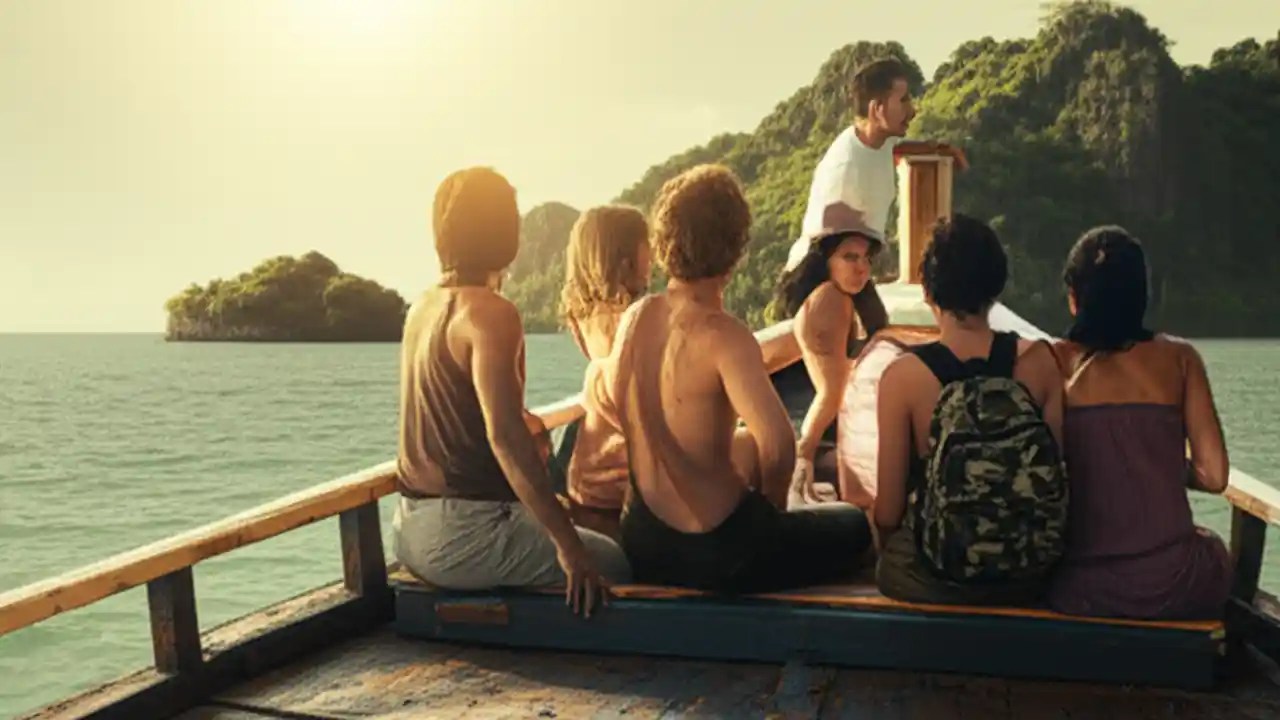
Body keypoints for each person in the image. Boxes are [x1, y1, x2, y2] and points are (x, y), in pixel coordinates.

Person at [585, 164, 873, 593]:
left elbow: (608, 398)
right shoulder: (724, 336)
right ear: (736, 247)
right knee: (855, 525)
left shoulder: (636, 317)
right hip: (718, 552)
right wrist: (772, 514)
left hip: (644, 539)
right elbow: (776, 445)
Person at [393, 167, 629, 617]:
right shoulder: (492, 314)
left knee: (566, 522)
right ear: (505, 233)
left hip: (409, 529)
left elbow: (474, 426)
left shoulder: (420, 309)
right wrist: (569, 549)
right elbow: (504, 437)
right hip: (464, 535)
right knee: (615, 563)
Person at [874, 214, 1067, 605]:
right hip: (1029, 573)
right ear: (996, 285)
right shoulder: (1040, 361)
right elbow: (1059, 475)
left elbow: (888, 513)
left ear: (927, 291)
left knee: (887, 564)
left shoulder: (902, 377)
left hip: (941, 577)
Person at [1047, 226, 1231, 620]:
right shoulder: (1181, 359)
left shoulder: (1051, 362)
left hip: (1080, 588)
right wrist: (1158, 463)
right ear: (1142, 296)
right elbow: (1214, 475)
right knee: (1212, 548)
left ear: (1074, 298)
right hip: (1174, 583)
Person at [773, 201, 884, 509]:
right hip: (814, 437)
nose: (861, 267)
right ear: (825, 261)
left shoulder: (840, 300)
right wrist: (802, 463)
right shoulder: (831, 302)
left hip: (821, 432)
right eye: (850, 257)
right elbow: (831, 392)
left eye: (866, 258)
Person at [556, 205, 652, 539]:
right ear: (625, 253)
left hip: (588, 470)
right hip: (627, 480)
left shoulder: (581, 316)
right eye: (646, 243)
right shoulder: (639, 314)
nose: (652, 253)